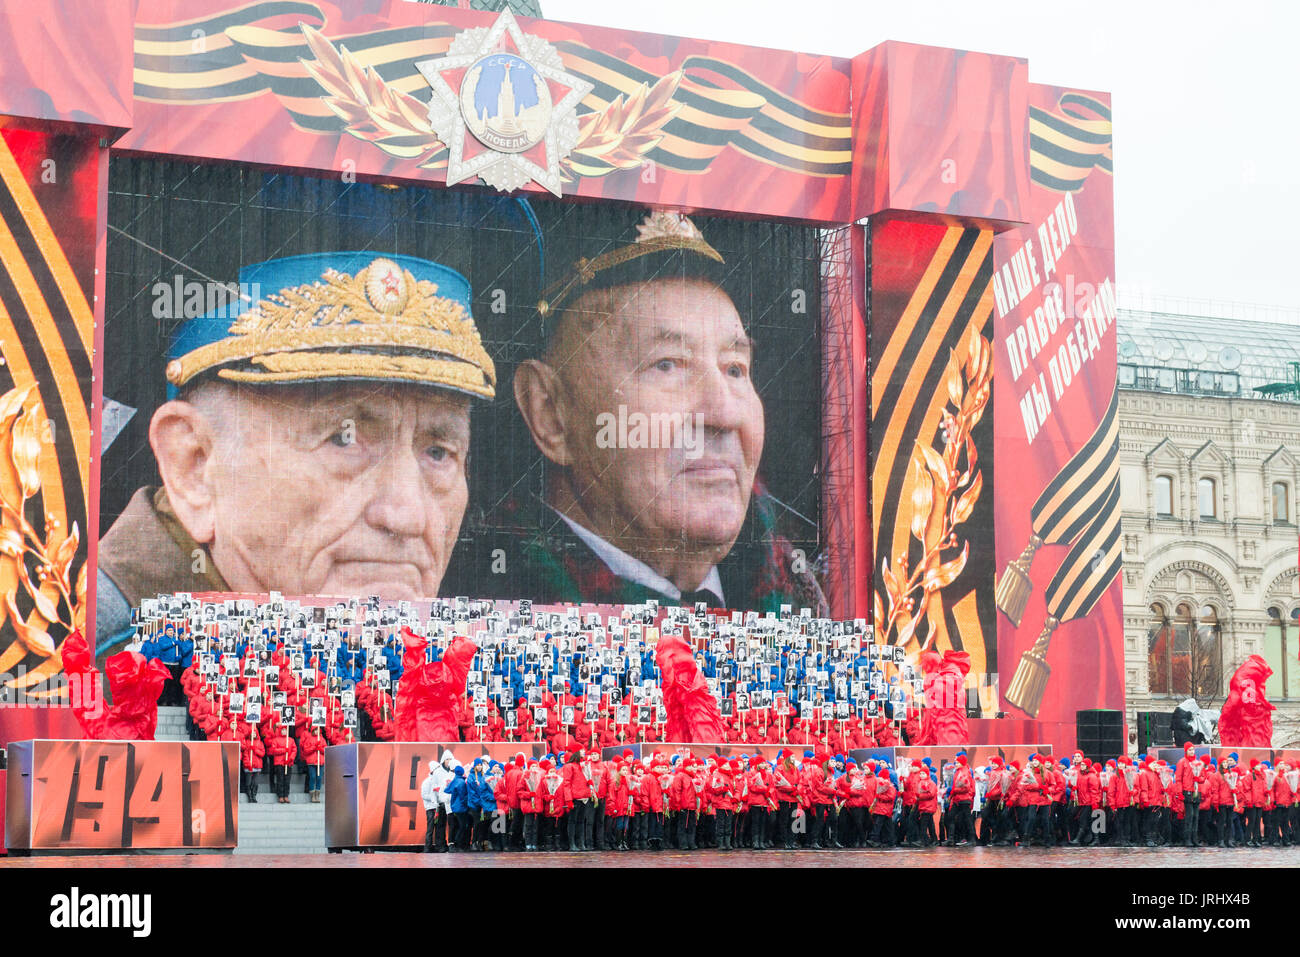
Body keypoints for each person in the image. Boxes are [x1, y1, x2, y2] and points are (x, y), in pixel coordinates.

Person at [97, 253, 496, 645]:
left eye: (438, 453)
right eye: (343, 439)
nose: (408, 516)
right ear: (195, 468)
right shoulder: (84, 663)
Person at [503, 210, 826, 614]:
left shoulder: (806, 595)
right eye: (667, 365)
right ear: (550, 414)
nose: (725, 413)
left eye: (735, 369)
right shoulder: (480, 597)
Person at [422, 760, 442, 853]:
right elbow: (424, 795)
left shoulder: (439, 781)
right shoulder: (427, 782)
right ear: (433, 770)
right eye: (437, 769)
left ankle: (439, 847)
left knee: (439, 828)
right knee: (430, 829)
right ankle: (427, 848)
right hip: (431, 808)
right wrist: (434, 799)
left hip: (438, 807)